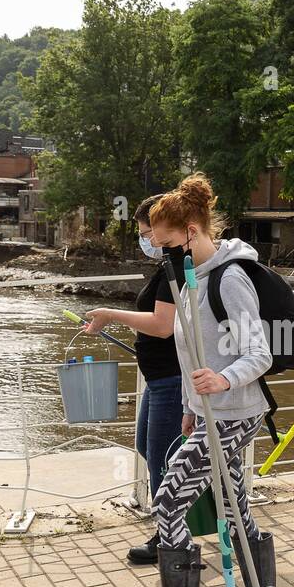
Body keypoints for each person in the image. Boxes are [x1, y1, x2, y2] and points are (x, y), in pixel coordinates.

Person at [121, 174, 273, 587]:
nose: (161, 251)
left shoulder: (230, 277)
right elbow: (192, 353)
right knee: (233, 505)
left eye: (165, 242)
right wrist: (190, 405)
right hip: (209, 413)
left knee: (168, 502)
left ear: (191, 230)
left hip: (235, 411)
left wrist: (224, 381)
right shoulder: (191, 279)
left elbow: (260, 352)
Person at [81, 196, 184, 565]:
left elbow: (162, 325)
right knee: (148, 446)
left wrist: (110, 314)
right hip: (159, 380)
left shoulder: (176, 269)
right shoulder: (165, 268)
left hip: (173, 380)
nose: (145, 241)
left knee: (162, 458)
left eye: (146, 233)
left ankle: (170, 538)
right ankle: (180, 521)